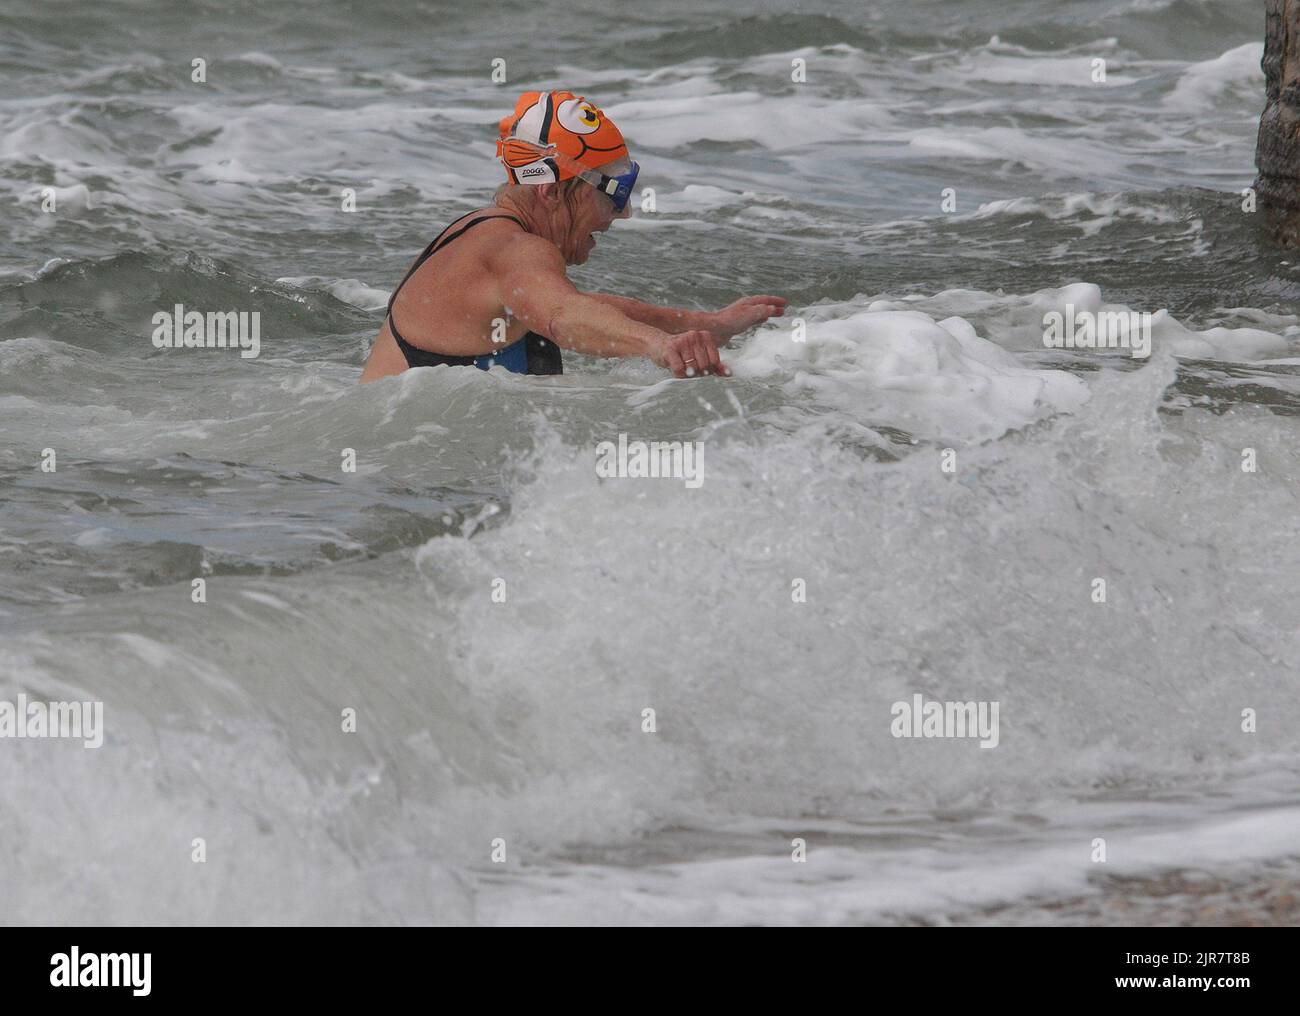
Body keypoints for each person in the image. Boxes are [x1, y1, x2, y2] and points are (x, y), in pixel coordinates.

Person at [360, 89, 786, 383]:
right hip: (412, 485)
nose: (624, 212)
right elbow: (564, 317)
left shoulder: (484, 237)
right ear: (550, 190)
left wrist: (708, 326)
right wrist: (661, 346)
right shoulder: (514, 249)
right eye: (612, 193)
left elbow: (578, 305)